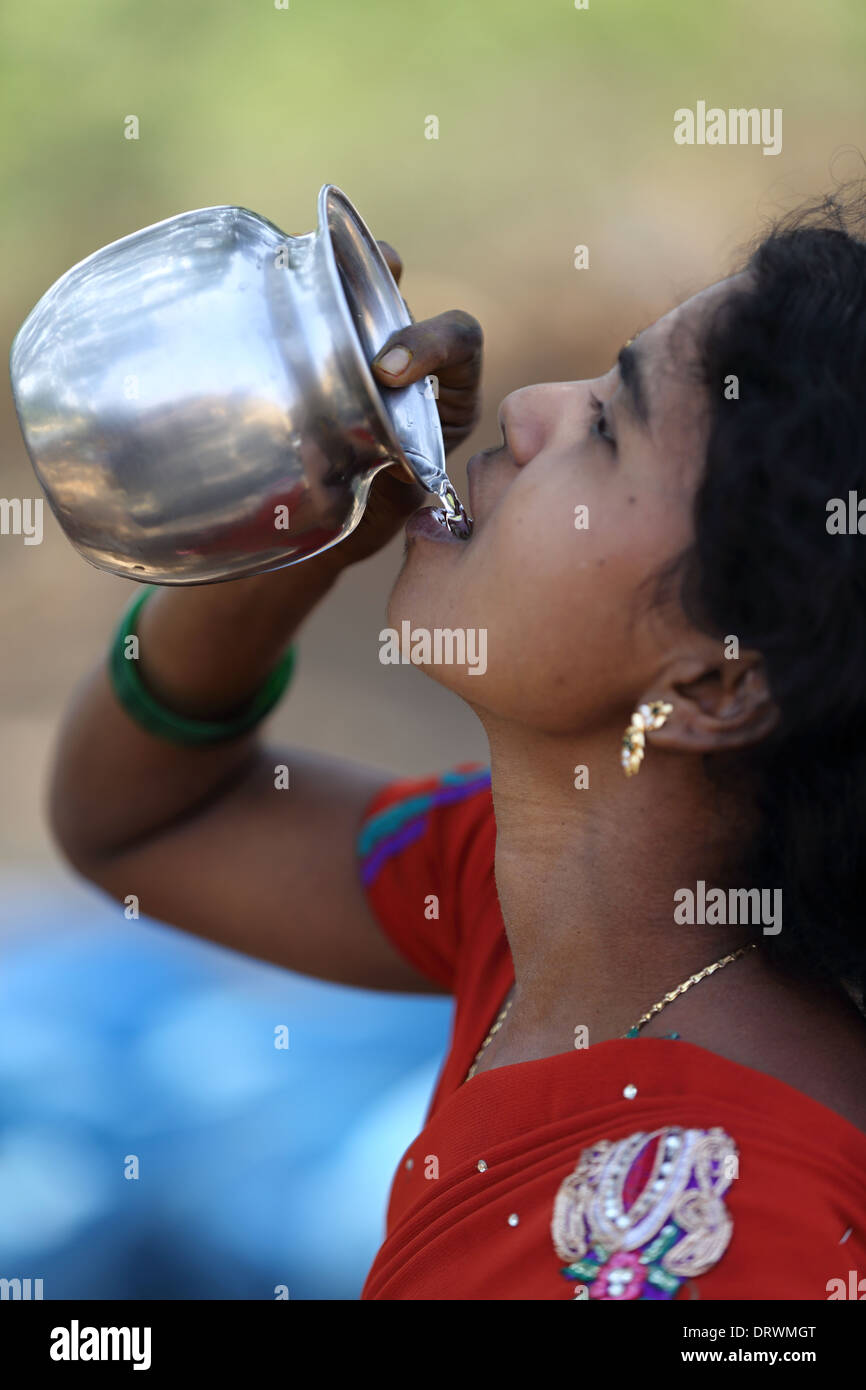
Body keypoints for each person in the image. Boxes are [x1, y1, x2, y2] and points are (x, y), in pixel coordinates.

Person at [49, 186, 866, 1301]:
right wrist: (308, 510)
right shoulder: (532, 900)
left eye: (605, 427)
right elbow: (147, 823)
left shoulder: (729, 1228)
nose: (524, 408)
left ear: (714, 681)